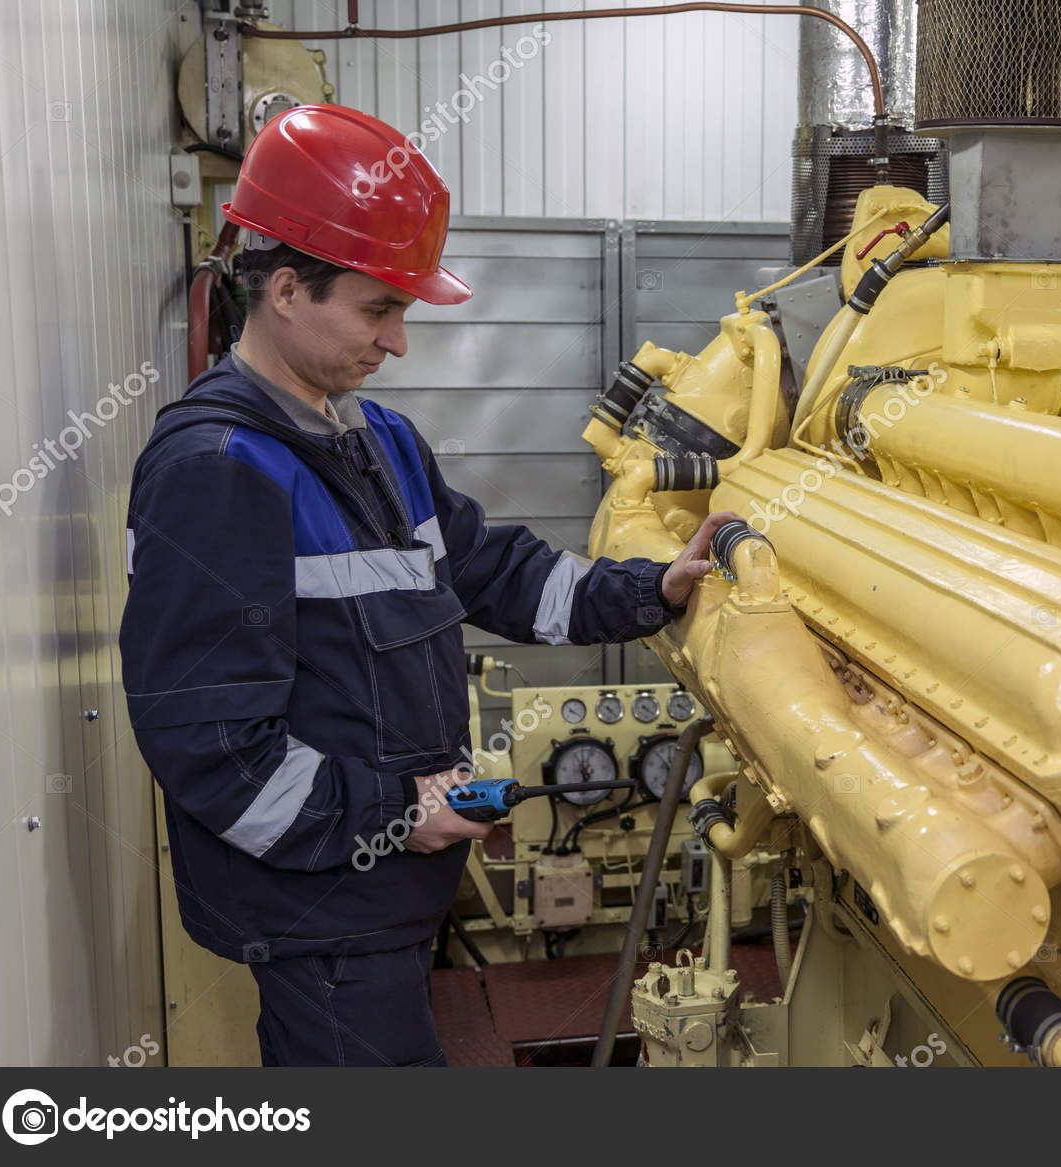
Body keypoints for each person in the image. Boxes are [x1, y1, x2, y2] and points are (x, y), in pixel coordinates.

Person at [119, 105, 729, 1066]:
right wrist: (396, 814)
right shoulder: (218, 471)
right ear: (288, 290)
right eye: (378, 310)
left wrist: (656, 588)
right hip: (323, 919)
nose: (398, 343)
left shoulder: (377, 439)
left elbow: (496, 572)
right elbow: (211, 745)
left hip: (387, 896)